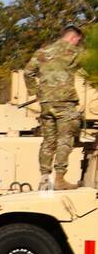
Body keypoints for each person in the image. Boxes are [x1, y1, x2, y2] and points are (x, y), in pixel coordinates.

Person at [23, 24, 85, 190]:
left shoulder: (42, 52)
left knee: (48, 141)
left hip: (45, 104)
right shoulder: (74, 52)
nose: (77, 44)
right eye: (77, 41)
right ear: (73, 37)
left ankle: (44, 180)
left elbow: (28, 72)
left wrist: (35, 92)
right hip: (65, 103)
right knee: (65, 140)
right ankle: (59, 179)